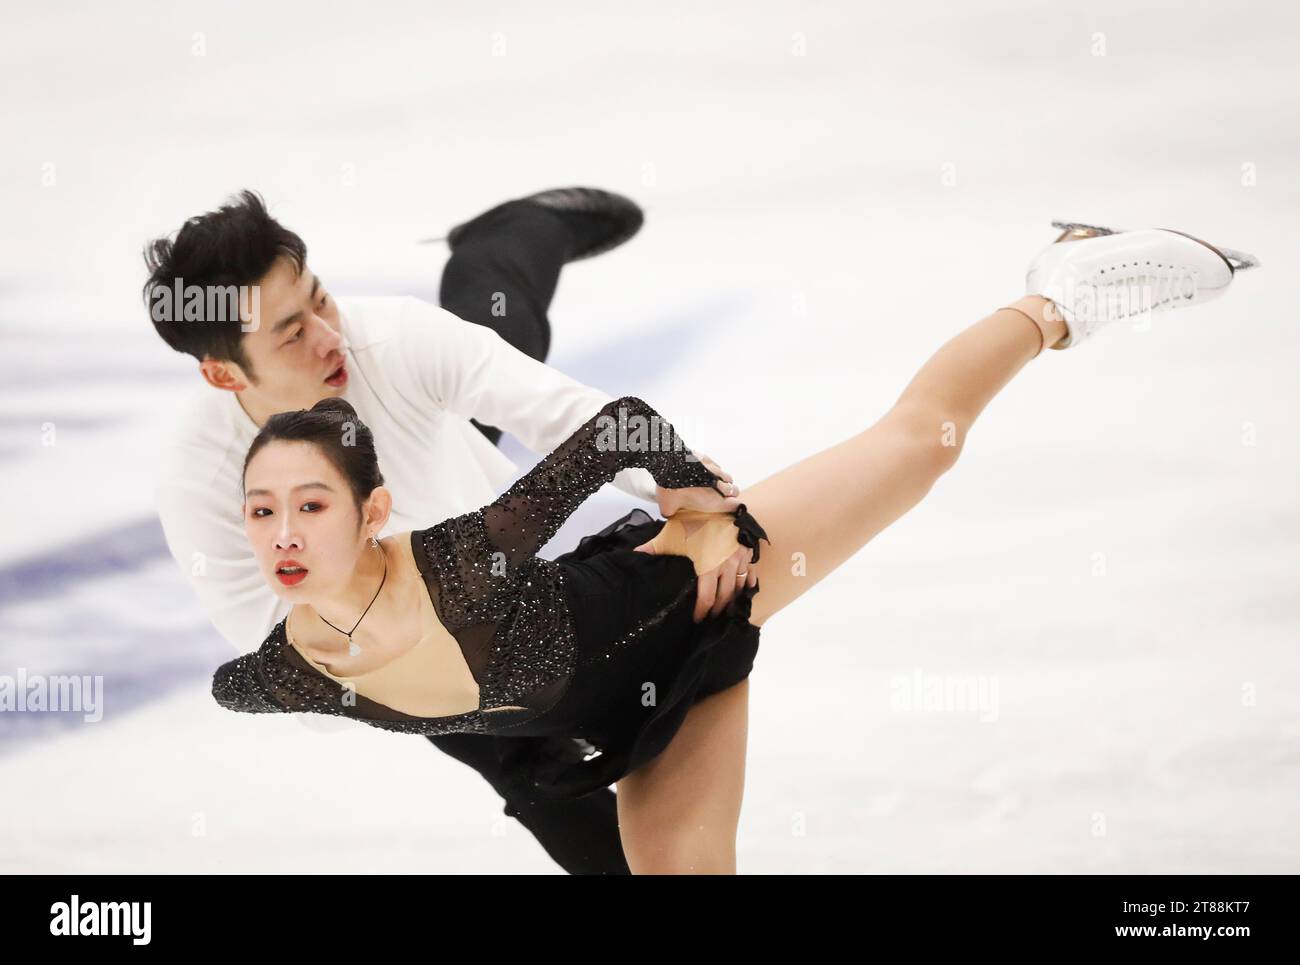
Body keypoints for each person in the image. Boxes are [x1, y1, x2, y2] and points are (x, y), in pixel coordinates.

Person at [211, 222, 1257, 873]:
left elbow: (612, 425)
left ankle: (1061, 290)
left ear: (376, 508)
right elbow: (237, 685)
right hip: (627, 728)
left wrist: (708, 509)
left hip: (697, 598)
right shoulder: (280, 667)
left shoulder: (464, 560)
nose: (287, 532)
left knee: (915, 445)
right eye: (263, 512)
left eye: (312, 505)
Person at [144, 188, 754, 876]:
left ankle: (511, 234)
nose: (328, 335)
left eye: (320, 297)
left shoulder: (388, 340)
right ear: (223, 372)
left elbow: (559, 411)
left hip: (468, 522)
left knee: (502, 333)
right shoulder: (203, 487)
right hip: (387, 640)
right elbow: (288, 657)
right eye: (292, 333)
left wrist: (670, 474)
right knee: (523, 765)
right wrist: (440, 675)